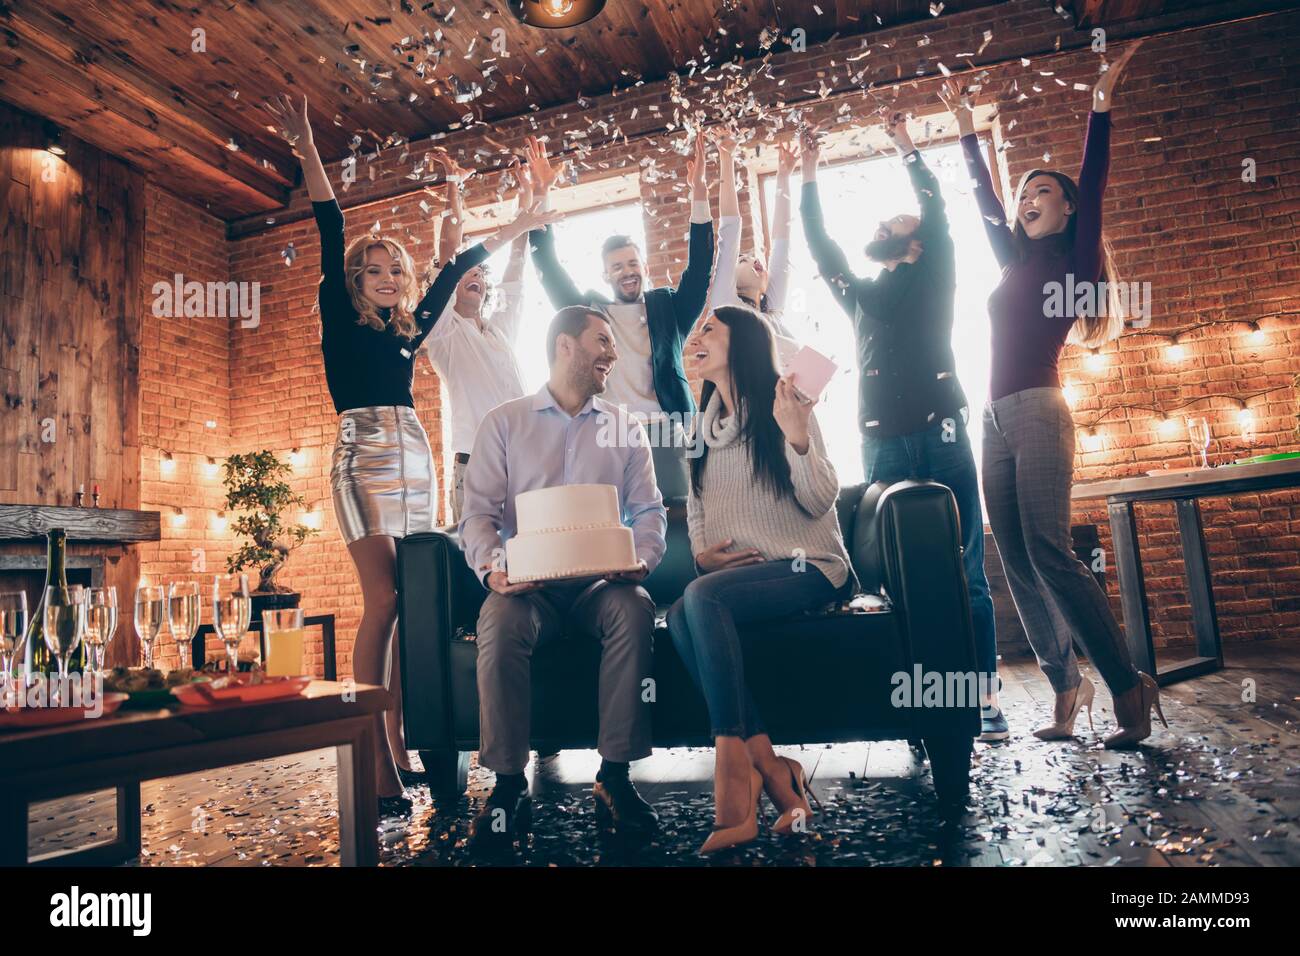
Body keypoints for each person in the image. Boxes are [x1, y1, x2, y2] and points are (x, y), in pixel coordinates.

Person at [265, 94, 558, 813]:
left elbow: (460, 263)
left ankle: (400, 742)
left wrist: (525, 215)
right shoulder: (340, 314)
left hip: (416, 455)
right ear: (355, 282)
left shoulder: (411, 328)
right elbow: (331, 224)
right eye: (375, 271)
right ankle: (370, 759)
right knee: (385, 599)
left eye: (395, 270)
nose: (389, 278)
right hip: (361, 454)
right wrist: (308, 146)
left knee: (415, 603)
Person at [940, 40, 1166, 748]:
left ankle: (1128, 685)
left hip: (1041, 411)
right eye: (1026, 192)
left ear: (1066, 211)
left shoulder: (1074, 254)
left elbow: (1093, 180)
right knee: (1016, 558)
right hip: (991, 418)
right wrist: (967, 131)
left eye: (1043, 190)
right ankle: (1066, 687)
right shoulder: (1014, 259)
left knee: (1051, 550)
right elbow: (984, 203)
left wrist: (1100, 102)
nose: (1028, 198)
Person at [798, 108, 1005, 741]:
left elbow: (935, 206)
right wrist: (806, 170)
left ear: (917, 239)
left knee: (964, 565)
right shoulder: (859, 293)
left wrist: (906, 143)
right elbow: (823, 244)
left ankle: (983, 699)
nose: (886, 225)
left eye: (898, 221)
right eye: (884, 222)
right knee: (893, 572)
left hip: (941, 431)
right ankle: (921, 702)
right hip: (880, 440)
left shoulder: (936, 268)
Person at [459, 305, 668, 852]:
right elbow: (477, 515)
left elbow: (649, 511)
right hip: (529, 590)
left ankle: (615, 777)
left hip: (602, 586)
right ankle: (507, 787)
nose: (612, 352)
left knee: (636, 604)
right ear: (565, 346)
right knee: (498, 619)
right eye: (602, 340)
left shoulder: (626, 430)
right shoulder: (504, 422)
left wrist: (640, 560)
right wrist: (494, 569)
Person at [670, 305, 856, 855]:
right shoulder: (699, 431)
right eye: (697, 327)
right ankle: (773, 768)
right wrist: (705, 559)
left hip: (810, 566)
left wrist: (798, 437)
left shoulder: (784, 405)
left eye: (710, 329)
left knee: (698, 600)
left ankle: (735, 769)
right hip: (739, 577)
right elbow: (697, 511)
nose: (697, 335)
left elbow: (821, 498)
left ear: (744, 343)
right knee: (686, 606)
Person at [522, 135, 715, 498]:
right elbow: (547, 265)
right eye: (616, 267)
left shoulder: (669, 310)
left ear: (643, 266)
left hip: (667, 429)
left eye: (631, 264)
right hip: (608, 432)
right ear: (605, 276)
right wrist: (542, 194)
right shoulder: (589, 315)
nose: (626, 272)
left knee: (679, 519)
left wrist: (699, 194)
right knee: (615, 526)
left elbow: (701, 267)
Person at [422, 158, 531, 523]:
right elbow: (447, 251)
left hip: (525, 460)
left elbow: (517, 263)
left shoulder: (500, 331)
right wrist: (454, 183)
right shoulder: (443, 331)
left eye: (481, 273)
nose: (476, 276)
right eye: (467, 272)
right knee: (481, 565)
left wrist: (526, 195)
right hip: (476, 465)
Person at [705, 130, 799, 362]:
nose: (752, 258)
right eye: (743, 259)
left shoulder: (772, 313)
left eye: (750, 257)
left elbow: (781, 245)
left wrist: (784, 177)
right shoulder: (725, 304)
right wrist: (726, 158)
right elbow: (729, 232)